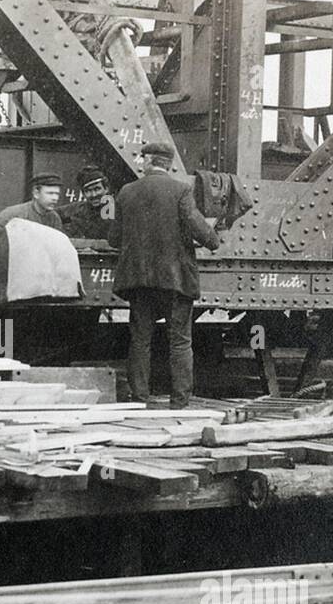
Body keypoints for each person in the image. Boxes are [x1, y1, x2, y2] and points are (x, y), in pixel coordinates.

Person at [110, 141, 220, 408]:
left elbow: (114, 238)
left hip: (138, 280)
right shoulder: (181, 189)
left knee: (140, 341)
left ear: (149, 161)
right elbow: (199, 229)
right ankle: (180, 401)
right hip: (175, 279)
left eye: (142, 158)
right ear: (168, 164)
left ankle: (139, 398)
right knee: (180, 341)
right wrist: (213, 239)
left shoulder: (127, 191)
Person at [0, 172, 63, 244]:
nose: (55, 198)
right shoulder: (12, 215)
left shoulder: (54, 219)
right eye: (50, 193)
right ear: (36, 193)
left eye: (57, 194)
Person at [59, 165, 116, 240]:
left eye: (97, 189)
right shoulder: (78, 209)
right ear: (83, 193)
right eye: (88, 191)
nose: (94, 195)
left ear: (106, 188)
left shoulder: (117, 210)